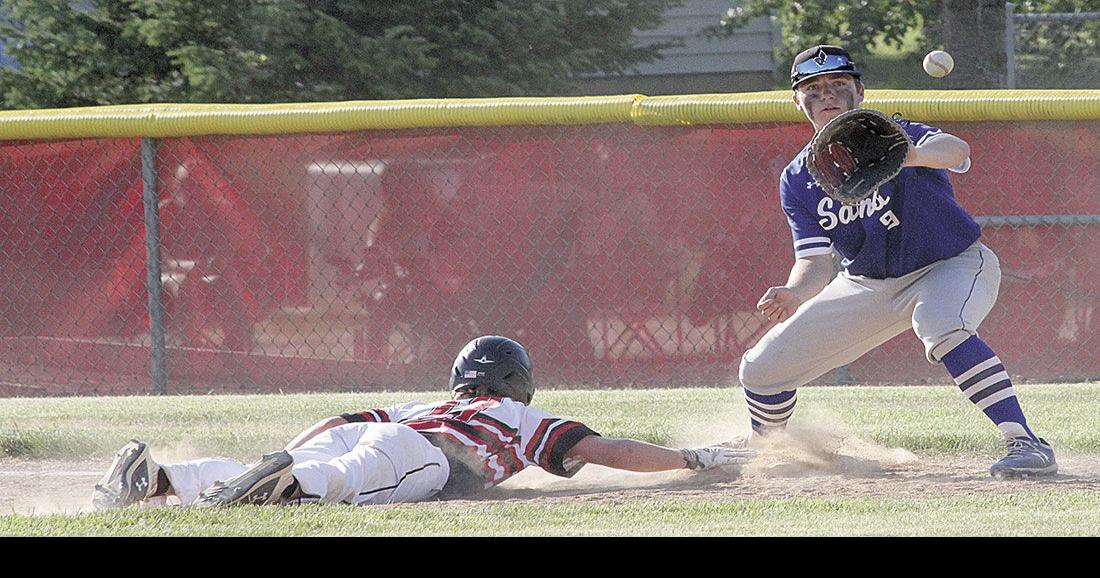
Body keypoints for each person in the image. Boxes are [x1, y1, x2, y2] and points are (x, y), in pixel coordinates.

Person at [737, 45, 1056, 479]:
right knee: (760, 369)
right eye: (812, 89)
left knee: (942, 325)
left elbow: (955, 149)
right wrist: (794, 292)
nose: (826, 95)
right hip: (868, 284)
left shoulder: (890, 131)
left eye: (838, 85)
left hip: (950, 264)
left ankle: (1026, 441)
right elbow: (813, 261)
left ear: (860, 91)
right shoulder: (798, 178)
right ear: (797, 101)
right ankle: (766, 450)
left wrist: (903, 153)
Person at [92, 336, 755, 509]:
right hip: (427, 454)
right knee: (348, 481)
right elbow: (609, 451)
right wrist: (689, 457)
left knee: (323, 464)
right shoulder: (518, 414)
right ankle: (283, 482)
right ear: (515, 381)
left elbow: (339, 420)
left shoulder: (422, 398)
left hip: (380, 427)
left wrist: (284, 452)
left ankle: (159, 479)